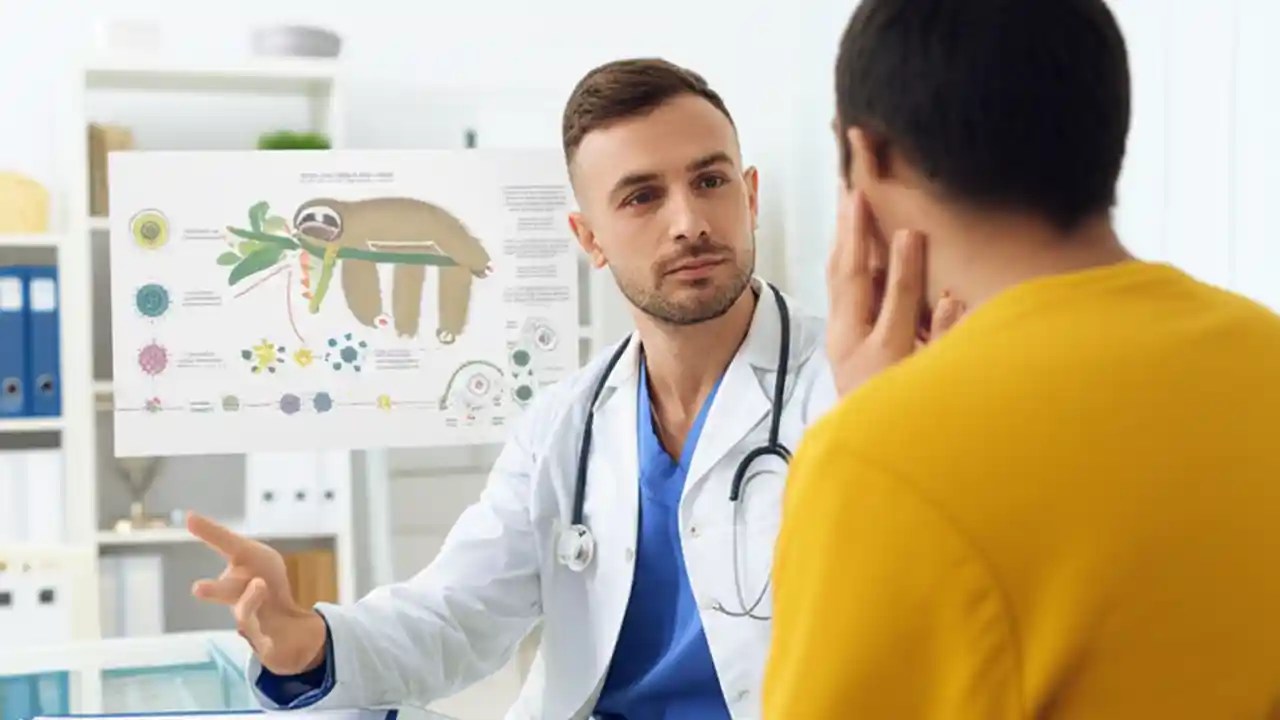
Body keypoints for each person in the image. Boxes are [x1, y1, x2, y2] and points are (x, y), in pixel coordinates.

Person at [187, 58, 926, 720]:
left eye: (710, 180)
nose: (689, 223)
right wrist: (306, 642)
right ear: (589, 239)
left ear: (750, 194)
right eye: (641, 197)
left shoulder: (856, 382)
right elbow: (458, 614)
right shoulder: (566, 424)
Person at [763, 0, 1280, 718]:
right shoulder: (1265, 356)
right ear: (1109, 125)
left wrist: (883, 423)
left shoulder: (876, 462)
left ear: (871, 155)